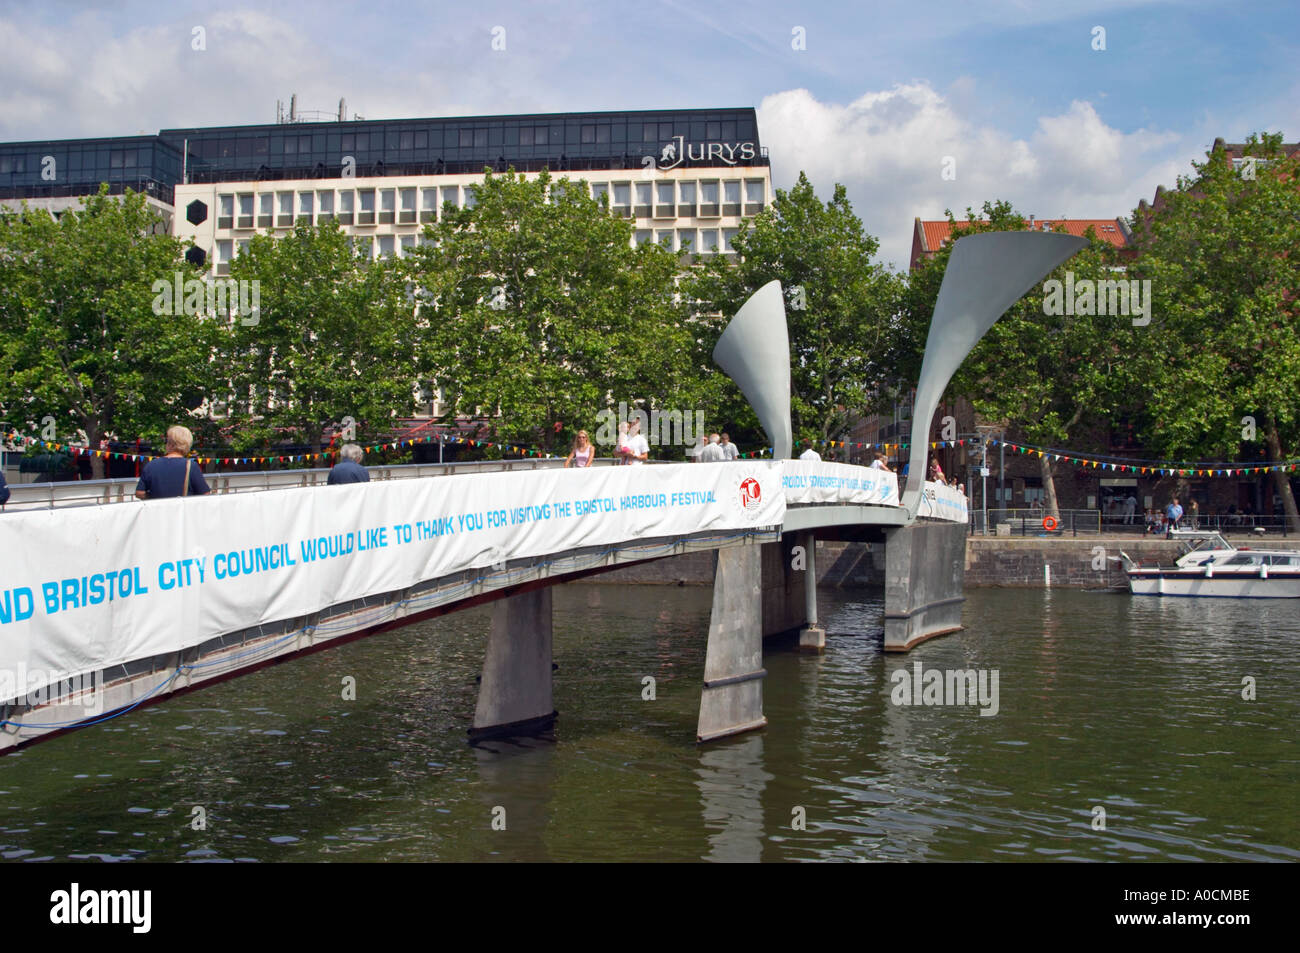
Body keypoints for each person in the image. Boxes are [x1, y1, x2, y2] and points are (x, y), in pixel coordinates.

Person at [135, 425, 210, 499]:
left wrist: (154, 497)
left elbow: (139, 493)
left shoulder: (152, 465)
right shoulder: (191, 466)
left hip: (158, 509)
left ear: (170, 444)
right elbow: (205, 494)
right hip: (181, 510)